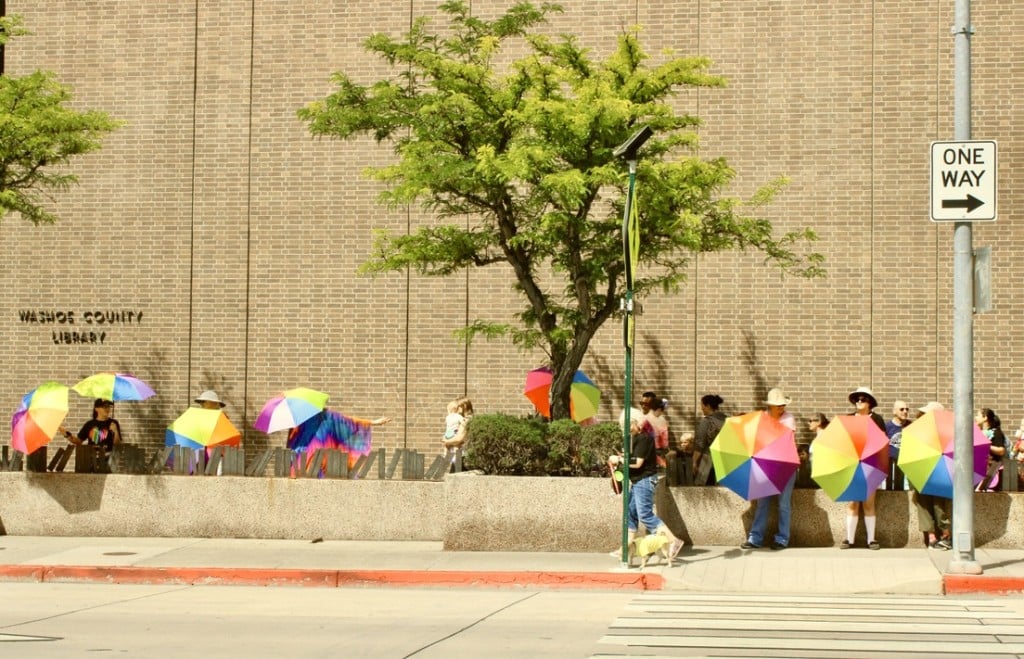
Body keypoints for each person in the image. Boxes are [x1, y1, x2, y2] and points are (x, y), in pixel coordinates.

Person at [742, 388, 796, 551]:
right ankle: (755, 538)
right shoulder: (762, 419)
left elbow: (786, 439)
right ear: (770, 406)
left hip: (786, 464)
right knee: (762, 503)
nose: (781, 408)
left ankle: (782, 539)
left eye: (782, 405)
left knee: (783, 504)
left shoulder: (788, 418)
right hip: (765, 465)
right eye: (778, 405)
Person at [623, 416, 683, 563]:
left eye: (628, 423)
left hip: (644, 480)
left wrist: (620, 460)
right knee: (630, 513)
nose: (625, 427)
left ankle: (673, 540)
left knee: (644, 514)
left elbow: (637, 463)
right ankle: (625, 549)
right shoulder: (632, 439)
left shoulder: (643, 439)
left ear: (636, 424)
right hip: (637, 480)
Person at [840, 387, 887, 550]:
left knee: (869, 502)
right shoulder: (849, 418)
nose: (859, 402)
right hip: (852, 464)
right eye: (857, 399)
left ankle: (871, 539)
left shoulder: (877, 419)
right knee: (853, 502)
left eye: (863, 399)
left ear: (870, 403)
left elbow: (883, 443)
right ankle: (849, 539)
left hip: (871, 464)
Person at [912, 402, 952, 549]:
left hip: (940, 469)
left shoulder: (947, 431)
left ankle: (946, 534)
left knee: (938, 504)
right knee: (923, 503)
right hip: (921, 469)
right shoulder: (918, 430)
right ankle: (931, 536)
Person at [693, 394, 726, 486]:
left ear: (708, 406)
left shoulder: (706, 422)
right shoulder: (727, 420)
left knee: (703, 490)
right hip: (725, 461)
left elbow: (700, 444)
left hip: (708, 461)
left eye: (702, 405)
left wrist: (694, 462)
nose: (701, 408)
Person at [976, 407, 1007, 492]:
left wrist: (986, 446)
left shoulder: (996, 432)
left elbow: (1001, 451)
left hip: (990, 470)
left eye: (978, 415)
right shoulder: (983, 432)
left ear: (985, 417)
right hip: (981, 470)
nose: (976, 417)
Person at [885, 399, 911, 490]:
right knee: (889, 490)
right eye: (902, 409)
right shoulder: (887, 427)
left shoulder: (910, 426)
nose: (905, 411)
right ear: (894, 411)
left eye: (907, 409)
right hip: (890, 465)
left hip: (905, 464)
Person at [442, 397, 473, 467]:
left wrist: (446, 441)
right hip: (461, 454)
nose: (456, 409)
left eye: (458, 407)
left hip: (462, 455)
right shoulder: (465, 419)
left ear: (463, 407)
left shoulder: (466, 420)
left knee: (456, 473)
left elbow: (459, 439)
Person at [644, 397, 670, 469]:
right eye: (662, 411)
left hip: (646, 451)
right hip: (658, 450)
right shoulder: (662, 420)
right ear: (658, 409)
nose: (661, 413)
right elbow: (664, 440)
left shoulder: (644, 419)